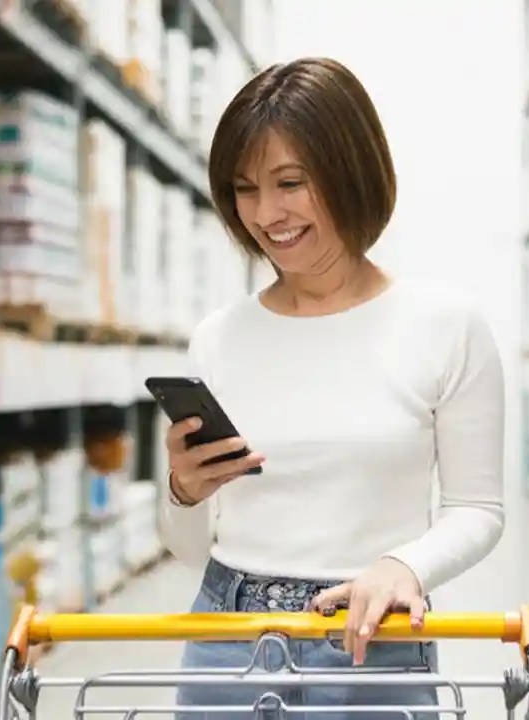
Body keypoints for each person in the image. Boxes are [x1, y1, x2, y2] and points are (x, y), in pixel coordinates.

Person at [158, 56, 506, 718]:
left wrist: (406, 567)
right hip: (224, 641)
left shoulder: (445, 325)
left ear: (350, 170)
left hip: (366, 645)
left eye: (290, 182)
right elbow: (187, 548)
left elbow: (477, 508)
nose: (267, 214)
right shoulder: (217, 338)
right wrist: (184, 492)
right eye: (245, 188)